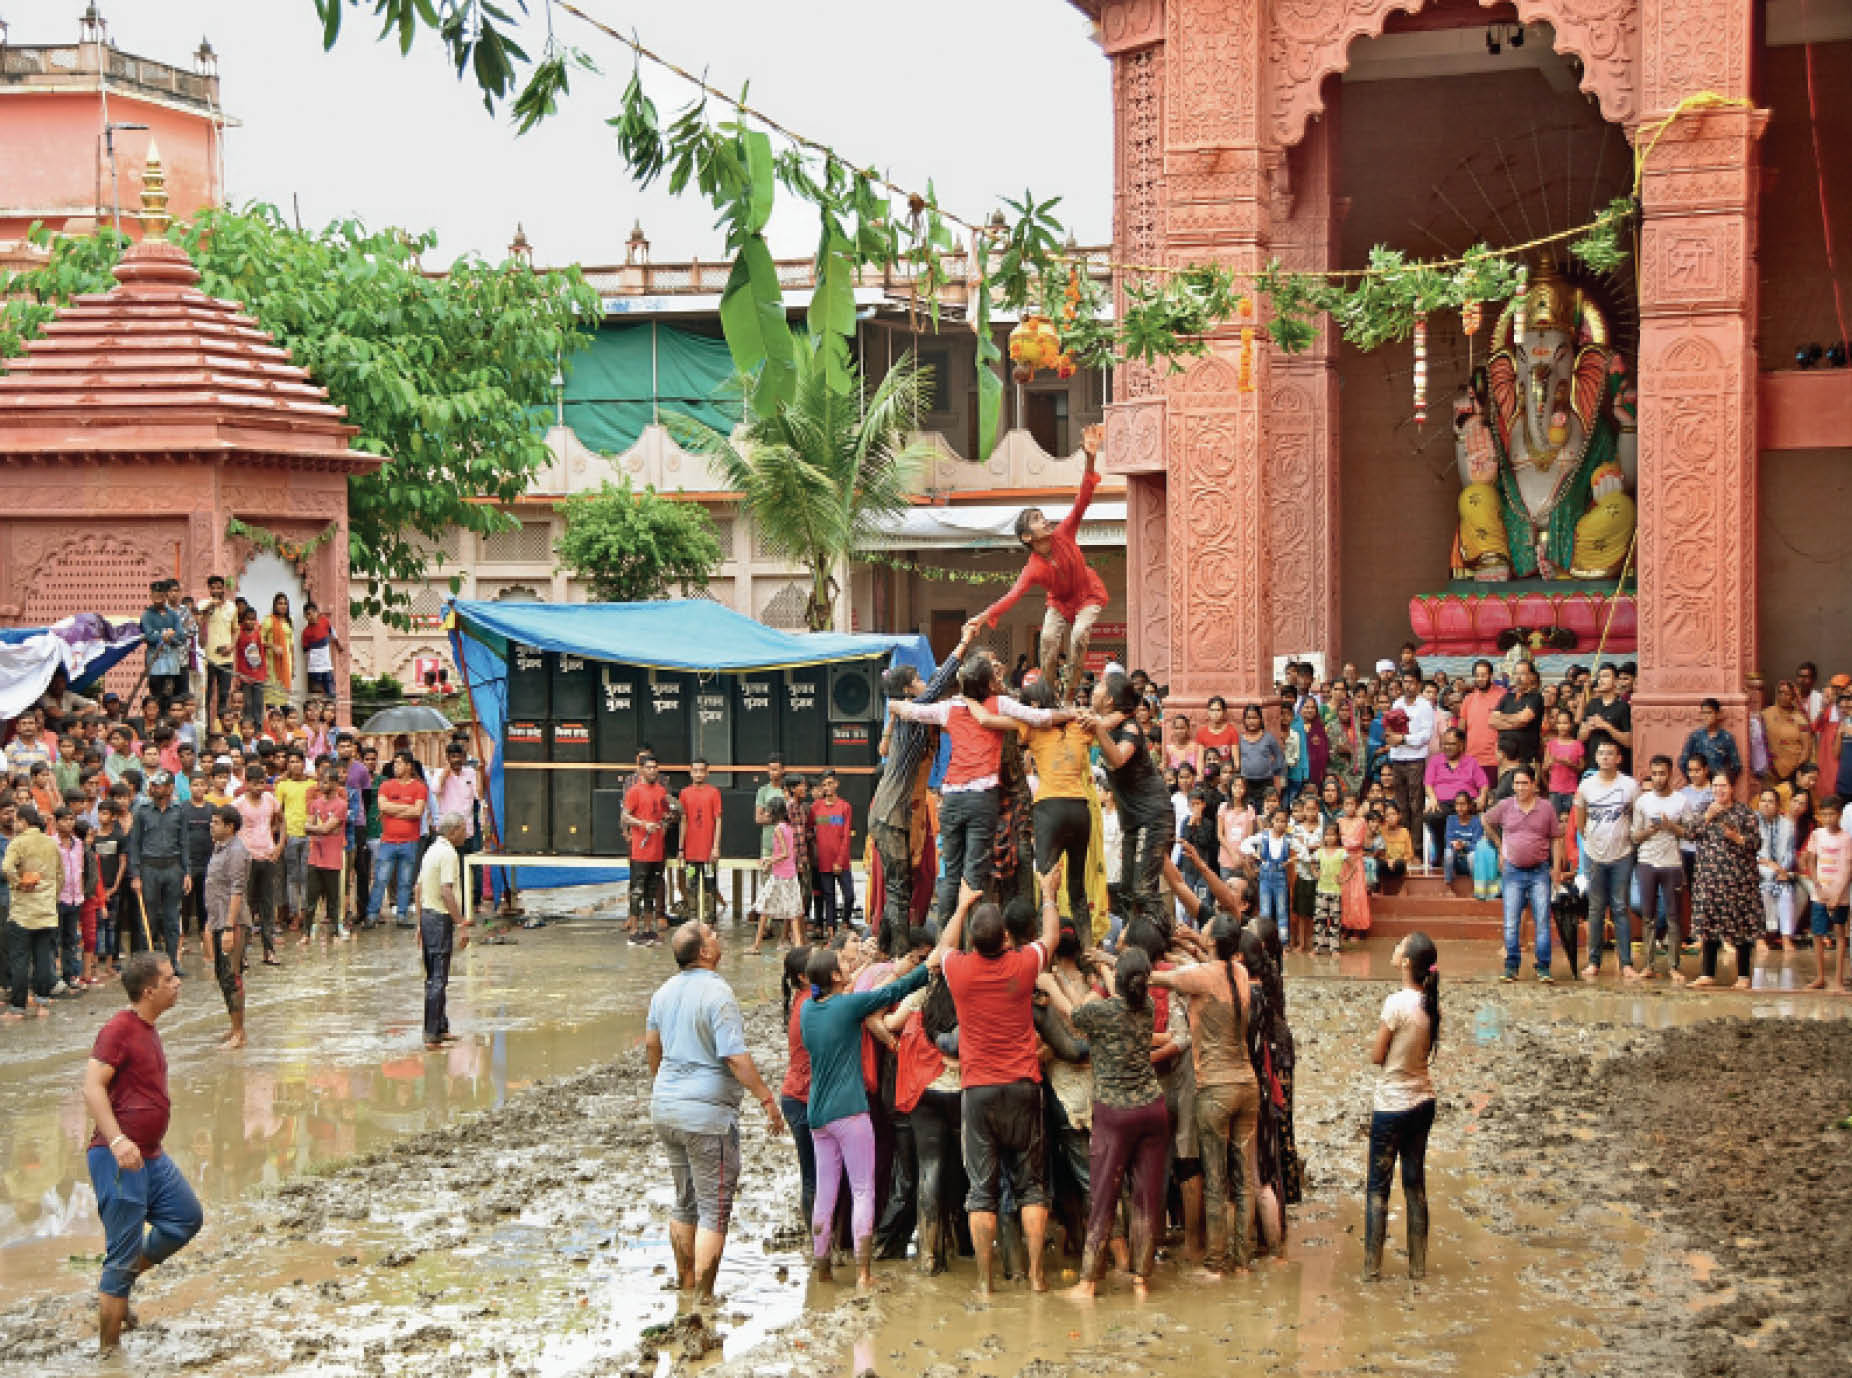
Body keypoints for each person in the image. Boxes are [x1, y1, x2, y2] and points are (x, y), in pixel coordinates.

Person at [646, 920, 785, 1304]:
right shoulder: (719, 994)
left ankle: (686, 1285)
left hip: (667, 1107)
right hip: (706, 1115)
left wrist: (664, 1084)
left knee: (684, 1200)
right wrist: (766, 1099)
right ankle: (704, 1298)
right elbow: (735, 1058)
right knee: (713, 1209)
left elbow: (652, 1046)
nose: (718, 936)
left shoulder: (663, 992)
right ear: (704, 953)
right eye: (711, 934)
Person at [938, 870, 1059, 1295]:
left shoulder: (960, 971)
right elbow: (1051, 937)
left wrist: (961, 905)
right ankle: (1038, 1277)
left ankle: (987, 1285)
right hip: (1024, 1085)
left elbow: (941, 949)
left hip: (979, 1091)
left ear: (974, 941)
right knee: (1030, 1186)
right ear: (1006, 937)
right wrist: (1047, 893)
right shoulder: (1023, 966)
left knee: (981, 1193)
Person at [799, 937, 936, 1287]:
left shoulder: (807, 1010)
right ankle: (863, 1273)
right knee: (863, 1189)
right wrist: (927, 967)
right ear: (833, 976)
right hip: (850, 1110)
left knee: (827, 1190)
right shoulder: (846, 1007)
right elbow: (896, 992)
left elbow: (868, 988)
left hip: (818, 1113)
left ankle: (822, 1266)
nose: (849, 968)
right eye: (843, 967)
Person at [82, 951, 200, 1352]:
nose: (177, 983)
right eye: (170, 979)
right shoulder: (118, 1029)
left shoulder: (148, 1027)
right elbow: (91, 1087)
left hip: (150, 1155)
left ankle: (121, 1283)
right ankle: (109, 1353)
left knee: (185, 1218)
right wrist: (117, 1140)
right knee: (119, 1258)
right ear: (149, 990)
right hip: (119, 1159)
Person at [1036, 941, 1168, 1300]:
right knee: (1145, 1196)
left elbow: (1075, 1015)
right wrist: (1109, 968)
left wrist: (1050, 986)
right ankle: (1141, 1279)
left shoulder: (1104, 1013)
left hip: (1115, 1112)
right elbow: (1121, 992)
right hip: (1152, 1108)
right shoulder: (1149, 1006)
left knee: (1104, 1195)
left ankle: (1088, 1281)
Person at [1150, 915, 1260, 1276]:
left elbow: (1156, 976)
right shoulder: (1238, 972)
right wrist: (1196, 946)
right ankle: (1242, 1262)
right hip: (1247, 1085)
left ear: (1211, 942)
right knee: (1243, 1180)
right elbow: (1210, 963)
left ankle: (1215, 1262)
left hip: (1214, 1087)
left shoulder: (1201, 977)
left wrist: (1111, 964)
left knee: (1215, 1179)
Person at [973, 423, 1108, 694]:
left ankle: (1069, 695)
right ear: (1026, 537)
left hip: (1087, 595)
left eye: (1042, 515)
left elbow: (1083, 498)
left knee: (1080, 634)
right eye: (1036, 519)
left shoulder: (1064, 532)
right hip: (1059, 603)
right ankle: (1048, 693)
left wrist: (1091, 458)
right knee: (1046, 638)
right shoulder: (1032, 568)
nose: (1044, 519)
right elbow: (1011, 597)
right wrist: (982, 617)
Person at [1363, 932, 1440, 1282]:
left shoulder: (1395, 1004)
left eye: (1399, 945)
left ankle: (1371, 1268)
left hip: (1391, 1104)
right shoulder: (1430, 1003)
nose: (1393, 949)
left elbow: (1378, 1056)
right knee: (1414, 1185)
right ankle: (1418, 1268)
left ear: (1407, 962)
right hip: (1423, 1101)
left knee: (1378, 1188)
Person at [1088, 671, 1172, 937]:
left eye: (1100, 686)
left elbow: (1119, 759)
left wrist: (1099, 727)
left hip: (1152, 817)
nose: (1095, 689)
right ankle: (1136, 943)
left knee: (1143, 890)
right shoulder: (1110, 724)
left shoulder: (1130, 728)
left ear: (1110, 699)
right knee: (1126, 891)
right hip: (1133, 821)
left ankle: (1165, 942)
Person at [1484, 767, 1564, 982]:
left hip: (1540, 871)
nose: (1520, 787)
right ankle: (1511, 967)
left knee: (1542, 922)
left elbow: (1556, 838)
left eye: (1524, 783)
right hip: (1513, 871)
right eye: (1517, 783)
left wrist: (1556, 868)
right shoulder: (1505, 806)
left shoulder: (1546, 808)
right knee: (1511, 922)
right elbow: (1486, 820)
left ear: (1534, 785)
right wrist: (1501, 846)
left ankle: (1543, 967)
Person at [1574, 741, 1640, 982]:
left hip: (1622, 854)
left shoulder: (1630, 786)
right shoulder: (1586, 786)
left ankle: (1626, 963)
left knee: (1621, 908)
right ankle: (1594, 961)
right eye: (1600, 753)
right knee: (1596, 910)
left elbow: (1636, 815)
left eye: (1609, 753)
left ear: (1618, 758)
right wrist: (1590, 840)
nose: (1604, 757)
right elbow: (1580, 821)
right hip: (1594, 855)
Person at [1689, 770, 1761, 990]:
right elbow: (1690, 833)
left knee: (1741, 927)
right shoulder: (1703, 810)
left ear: (1732, 788)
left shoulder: (1744, 813)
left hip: (1738, 880)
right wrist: (1708, 817)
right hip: (1709, 879)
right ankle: (1707, 973)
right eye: (1715, 786)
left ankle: (1743, 976)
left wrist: (1737, 838)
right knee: (1708, 925)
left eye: (1723, 786)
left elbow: (1756, 843)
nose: (1719, 790)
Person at [1631, 755, 1695, 980]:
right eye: (1655, 773)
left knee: (1674, 916)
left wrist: (1670, 826)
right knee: (1648, 915)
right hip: (1647, 861)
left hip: (1672, 863)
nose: (1658, 778)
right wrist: (1649, 831)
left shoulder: (1681, 801)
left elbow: (1689, 832)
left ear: (1670, 775)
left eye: (1662, 774)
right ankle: (1648, 965)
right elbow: (1634, 836)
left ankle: (1674, 966)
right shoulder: (1642, 801)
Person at [127, 770, 189, 975]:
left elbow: (184, 843)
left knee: (172, 918)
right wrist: (135, 875)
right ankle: (149, 965)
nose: (154, 788)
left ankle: (173, 962)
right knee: (148, 919)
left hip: (173, 867)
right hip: (149, 868)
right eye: (153, 785)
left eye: (159, 785)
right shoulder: (142, 811)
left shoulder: (179, 810)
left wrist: (186, 872)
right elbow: (134, 844)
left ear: (170, 788)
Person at [416, 812, 469, 1050]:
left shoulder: (431, 850)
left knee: (435, 976)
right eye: (463, 829)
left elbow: (419, 888)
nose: (467, 834)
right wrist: (460, 923)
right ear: (454, 831)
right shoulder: (448, 854)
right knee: (438, 979)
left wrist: (419, 923)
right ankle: (431, 1034)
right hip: (439, 918)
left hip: (428, 916)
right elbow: (446, 891)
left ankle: (440, 1027)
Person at [2, 805, 60, 1015]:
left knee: (20, 960)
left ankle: (18, 1007)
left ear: (24, 821)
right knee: (44, 957)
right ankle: (42, 1001)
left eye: (16, 820)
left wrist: (19, 883)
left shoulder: (17, 843)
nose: (14, 823)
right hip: (47, 911)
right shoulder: (51, 843)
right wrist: (51, 898)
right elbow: (59, 876)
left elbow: (6, 868)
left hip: (23, 913)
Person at [202, 805, 249, 1049]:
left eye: (216, 822)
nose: (212, 826)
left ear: (229, 827)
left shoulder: (237, 851)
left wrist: (229, 929)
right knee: (223, 976)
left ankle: (239, 1033)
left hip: (234, 922)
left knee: (232, 977)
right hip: (219, 920)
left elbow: (236, 891)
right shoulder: (220, 848)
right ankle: (234, 1028)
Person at [368, 751, 427, 927]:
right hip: (388, 841)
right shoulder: (386, 785)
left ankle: (402, 915)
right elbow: (382, 806)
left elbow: (418, 811)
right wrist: (405, 808)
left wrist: (392, 809)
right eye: (395, 763)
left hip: (410, 841)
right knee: (380, 879)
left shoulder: (419, 787)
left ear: (409, 766)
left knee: (405, 881)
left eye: (399, 763)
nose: (396, 767)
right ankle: (371, 915)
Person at [234, 762, 283, 963]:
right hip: (247, 859)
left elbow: (281, 820)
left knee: (268, 906)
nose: (259, 788)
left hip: (268, 856)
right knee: (246, 907)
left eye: (262, 783)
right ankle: (242, 954)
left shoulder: (270, 799)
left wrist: (279, 845)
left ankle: (269, 951)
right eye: (255, 784)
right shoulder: (237, 805)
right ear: (246, 784)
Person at [1802, 794, 1850, 993]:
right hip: (1819, 894)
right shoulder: (1817, 835)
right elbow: (1812, 860)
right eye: (1824, 815)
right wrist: (1816, 885)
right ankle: (1820, 976)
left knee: (1840, 934)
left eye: (1832, 815)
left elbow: (1848, 868)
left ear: (1839, 815)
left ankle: (1838, 979)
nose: (1828, 818)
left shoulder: (1846, 838)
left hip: (1840, 895)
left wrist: (1838, 895)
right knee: (1818, 934)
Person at [622, 753, 672, 944]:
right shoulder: (634, 791)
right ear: (641, 769)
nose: (652, 771)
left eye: (655, 767)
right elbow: (625, 816)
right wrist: (643, 824)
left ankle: (648, 930)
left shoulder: (660, 791)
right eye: (649, 767)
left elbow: (665, 813)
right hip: (640, 850)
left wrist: (668, 818)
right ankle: (634, 931)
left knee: (652, 890)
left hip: (657, 848)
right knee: (637, 891)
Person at [1421, 728, 1488, 868]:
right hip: (1443, 803)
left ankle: (1469, 854)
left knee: (1476, 816)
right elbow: (1428, 784)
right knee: (1431, 816)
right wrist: (1432, 798)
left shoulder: (1471, 762)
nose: (1447, 747)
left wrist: (1482, 797)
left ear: (1461, 745)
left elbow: (1483, 783)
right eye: (1445, 744)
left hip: (1466, 803)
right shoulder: (1435, 761)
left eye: (1451, 744)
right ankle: (1442, 851)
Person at [304, 759, 350, 945]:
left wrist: (317, 828)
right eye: (320, 781)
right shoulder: (314, 803)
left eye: (324, 781)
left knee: (333, 899)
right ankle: (306, 934)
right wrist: (320, 828)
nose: (320, 785)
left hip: (332, 857)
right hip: (315, 857)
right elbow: (308, 826)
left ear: (334, 783)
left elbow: (320, 828)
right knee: (311, 899)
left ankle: (335, 933)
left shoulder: (341, 805)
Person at [1383, 670, 1435, 833]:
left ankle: (1417, 849)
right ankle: (1403, 845)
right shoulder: (1397, 704)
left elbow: (1426, 735)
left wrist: (1404, 739)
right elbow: (1390, 728)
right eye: (1405, 681)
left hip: (1415, 761)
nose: (1408, 685)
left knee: (1416, 806)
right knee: (1401, 805)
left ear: (1419, 684)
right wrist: (1391, 737)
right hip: (1398, 759)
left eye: (1411, 682)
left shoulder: (1425, 706)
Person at [678, 758, 725, 924]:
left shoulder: (714, 793)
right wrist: (680, 848)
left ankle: (710, 923)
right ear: (690, 772)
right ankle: (692, 923)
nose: (698, 774)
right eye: (695, 770)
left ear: (707, 772)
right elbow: (683, 820)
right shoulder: (684, 793)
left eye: (701, 770)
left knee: (710, 888)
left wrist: (716, 847)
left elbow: (718, 819)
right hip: (690, 853)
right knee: (691, 888)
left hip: (708, 852)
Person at [273, 748, 313, 943]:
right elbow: (278, 811)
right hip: (289, 835)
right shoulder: (282, 785)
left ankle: (305, 913)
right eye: (291, 762)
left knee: (306, 876)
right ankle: (294, 914)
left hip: (309, 834)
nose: (295, 765)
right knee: (292, 877)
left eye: (298, 761)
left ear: (304, 763)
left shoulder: (313, 784)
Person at [139, 580, 189, 709]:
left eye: (161, 596)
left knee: (172, 697)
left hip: (172, 662)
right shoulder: (147, 615)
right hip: (155, 661)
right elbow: (149, 636)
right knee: (156, 697)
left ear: (165, 596)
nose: (158, 600)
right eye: (155, 596)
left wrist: (168, 637)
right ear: (151, 596)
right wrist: (165, 635)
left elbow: (181, 636)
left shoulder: (173, 615)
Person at [1577, 664, 1634, 776]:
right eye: (1599, 677)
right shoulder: (1592, 705)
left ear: (1616, 681)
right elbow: (1580, 737)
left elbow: (1629, 741)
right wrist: (1588, 727)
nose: (1601, 680)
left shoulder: (1623, 707)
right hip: (1593, 767)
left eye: (1606, 676)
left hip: (1616, 769)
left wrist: (1606, 726)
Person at [1681, 698, 1743, 782]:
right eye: (1703, 713)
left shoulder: (1726, 737)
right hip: (1699, 786)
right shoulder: (1695, 737)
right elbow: (1683, 762)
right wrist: (1694, 781)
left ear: (1717, 715)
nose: (1706, 716)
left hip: (1718, 787)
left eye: (1709, 713)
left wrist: (1724, 782)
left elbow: (1736, 765)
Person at [261, 593, 296, 704]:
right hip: (272, 662)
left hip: (286, 661)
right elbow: (259, 640)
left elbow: (291, 644)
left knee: (284, 694)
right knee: (272, 692)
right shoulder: (268, 620)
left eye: (285, 603)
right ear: (275, 605)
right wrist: (273, 646)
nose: (283, 606)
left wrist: (293, 664)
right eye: (280, 603)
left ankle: (280, 718)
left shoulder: (289, 621)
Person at [299, 601, 338, 699]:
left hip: (326, 664)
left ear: (317, 612)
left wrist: (338, 644)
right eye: (308, 614)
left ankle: (330, 711)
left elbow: (332, 632)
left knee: (330, 691)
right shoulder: (305, 632)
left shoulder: (324, 621)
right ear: (305, 616)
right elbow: (305, 650)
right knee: (316, 692)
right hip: (314, 667)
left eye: (313, 612)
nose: (311, 615)